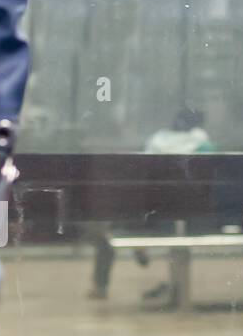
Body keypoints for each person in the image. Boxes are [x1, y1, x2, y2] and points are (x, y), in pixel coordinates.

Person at [88, 108, 214, 300]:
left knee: (109, 230)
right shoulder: (204, 145)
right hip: (190, 217)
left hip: (148, 212)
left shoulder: (157, 141)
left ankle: (100, 285)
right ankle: (174, 284)